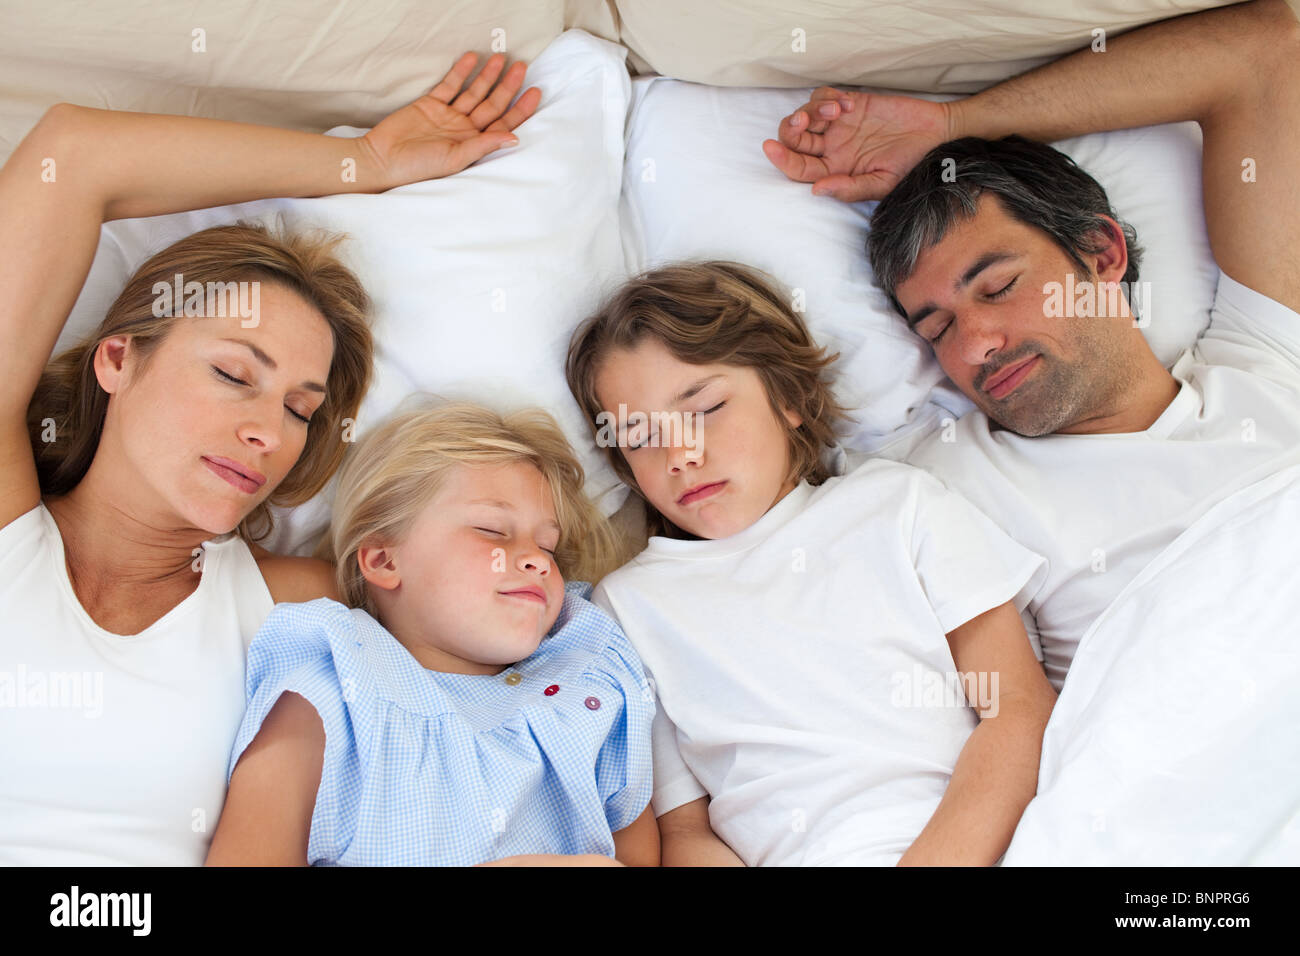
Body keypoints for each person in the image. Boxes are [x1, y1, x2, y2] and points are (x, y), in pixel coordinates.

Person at [0, 52, 540, 864]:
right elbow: (72, 154)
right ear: (118, 361)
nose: (268, 432)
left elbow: (515, 657)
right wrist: (368, 163)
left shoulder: (300, 607)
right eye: (231, 374)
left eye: (299, 409)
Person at [763, 0, 1300, 689]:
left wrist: (954, 124)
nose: (978, 344)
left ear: (1101, 253)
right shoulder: (942, 487)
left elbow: (1262, 48)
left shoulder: (1266, 361)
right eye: (938, 328)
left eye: (997, 287)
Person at [566, 261, 1058, 866]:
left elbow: (1019, 708)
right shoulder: (627, 607)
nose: (679, 455)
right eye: (640, 435)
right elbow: (687, 831)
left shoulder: (896, 506)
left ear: (790, 399)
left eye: (706, 408)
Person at [204, 402, 657, 866]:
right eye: (493, 531)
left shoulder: (587, 686)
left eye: (547, 546)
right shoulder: (336, 694)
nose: (538, 560)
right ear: (384, 561)